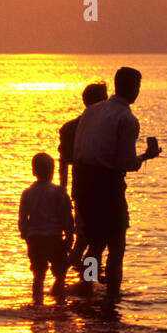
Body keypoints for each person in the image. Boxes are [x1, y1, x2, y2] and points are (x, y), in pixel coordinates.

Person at [72, 66, 162, 303]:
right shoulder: (127, 119)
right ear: (133, 88)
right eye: (138, 86)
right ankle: (112, 294)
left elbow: (79, 149)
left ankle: (88, 286)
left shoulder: (91, 111)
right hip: (106, 186)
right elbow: (127, 163)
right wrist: (146, 156)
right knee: (116, 245)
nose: (138, 91)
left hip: (82, 183)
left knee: (94, 243)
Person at [60, 82, 108, 273]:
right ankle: (89, 279)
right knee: (96, 241)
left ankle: (65, 275)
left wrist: (63, 192)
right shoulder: (98, 128)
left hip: (79, 190)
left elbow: (63, 163)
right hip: (96, 191)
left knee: (83, 237)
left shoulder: (70, 127)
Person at [18, 152, 73, 305]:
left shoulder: (27, 193)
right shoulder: (59, 192)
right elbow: (66, 216)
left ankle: (37, 304)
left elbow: (23, 217)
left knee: (38, 275)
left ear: (33, 171)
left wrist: (25, 233)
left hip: (35, 239)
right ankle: (60, 304)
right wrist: (69, 235)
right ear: (52, 171)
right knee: (60, 273)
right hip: (54, 238)